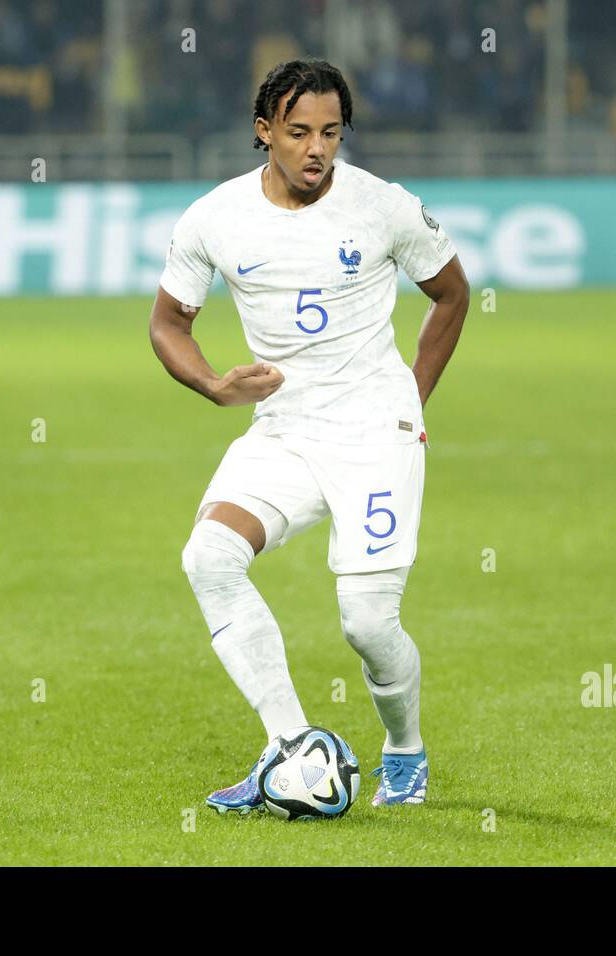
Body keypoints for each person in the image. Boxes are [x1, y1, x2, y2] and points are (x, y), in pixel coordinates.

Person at [148, 58, 470, 813]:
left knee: (366, 623)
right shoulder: (215, 218)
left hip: (374, 431)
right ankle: (292, 750)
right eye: (298, 133)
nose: (316, 148)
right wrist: (212, 383)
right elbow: (168, 322)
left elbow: (452, 294)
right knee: (209, 556)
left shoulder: (383, 207)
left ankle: (404, 750)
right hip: (286, 428)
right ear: (264, 133)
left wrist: (409, 402)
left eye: (330, 132)